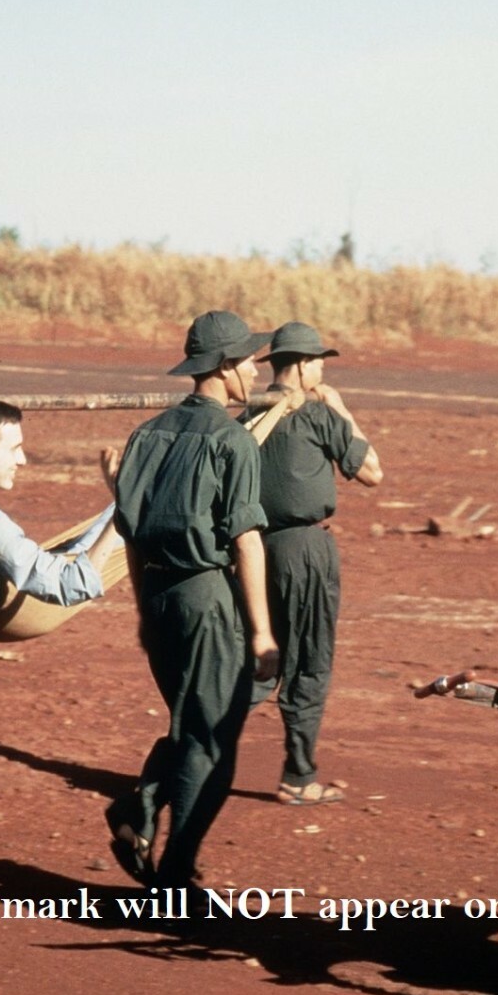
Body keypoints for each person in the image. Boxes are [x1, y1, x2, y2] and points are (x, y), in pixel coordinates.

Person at [105, 311, 280, 889]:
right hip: (205, 598)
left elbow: (129, 532)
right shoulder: (232, 439)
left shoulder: (146, 435)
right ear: (225, 368)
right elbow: (246, 540)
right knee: (211, 742)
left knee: (195, 719)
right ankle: (176, 875)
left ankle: (141, 808)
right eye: (249, 361)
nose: (256, 371)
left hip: (155, 597)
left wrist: (139, 609)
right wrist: (261, 633)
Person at [240, 321, 383, 806]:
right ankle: (299, 775)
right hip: (305, 551)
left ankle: (196, 750)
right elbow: (372, 472)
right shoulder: (318, 417)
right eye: (318, 361)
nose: (321, 370)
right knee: (308, 664)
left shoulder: (247, 417)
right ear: (301, 366)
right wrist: (340, 408)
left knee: (259, 662)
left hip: (253, 550)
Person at [0, 396, 121, 606]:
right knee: (142, 507)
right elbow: (71, 584)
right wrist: (124, 509)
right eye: (14, 449)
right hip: (35, 593)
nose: (22, 460)